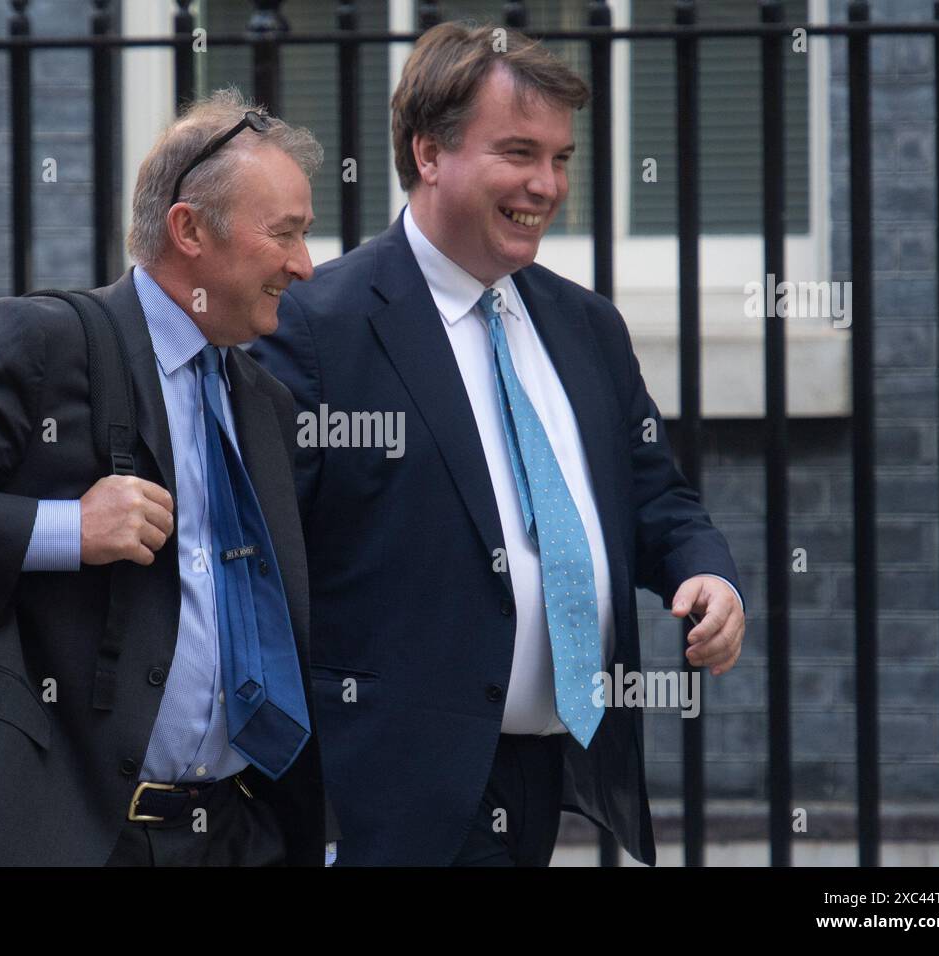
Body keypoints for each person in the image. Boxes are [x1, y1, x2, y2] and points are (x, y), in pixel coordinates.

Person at [249, 22, 746, 866]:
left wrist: (706, 569)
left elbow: (654, 493)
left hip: (536, 775)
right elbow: (257, 563)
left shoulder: (585, 325)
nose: (546, 185)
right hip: (382, 800)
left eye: (561, 158)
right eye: (519, 152)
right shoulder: (316, 329)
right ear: (429, 154)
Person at [0, 89, 337, 866]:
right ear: (189, 230)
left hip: (229, 837)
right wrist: (70, 529)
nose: (305, 264)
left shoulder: (263, 401)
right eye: (287, 235)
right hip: (63, 839)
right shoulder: (44, 341)